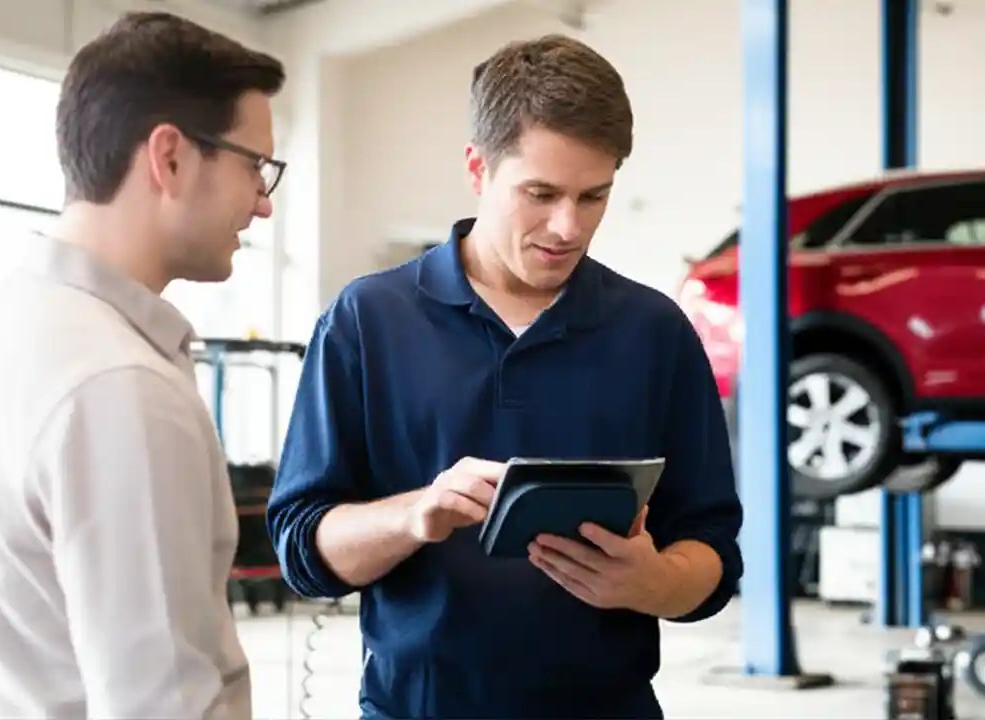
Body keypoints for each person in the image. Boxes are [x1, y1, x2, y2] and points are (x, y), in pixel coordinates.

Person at [266, 33, 743, 720]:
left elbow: (713, 555)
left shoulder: (654, 332)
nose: (566, 227)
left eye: (594, 196)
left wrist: (651, 583)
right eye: (540, 193)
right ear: (477, 169)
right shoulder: (368, 321)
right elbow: (302, 550)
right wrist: (416, 515)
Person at [0, 12, 285, 718]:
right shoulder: (119, 387)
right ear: (171, 158)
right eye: (255, 167)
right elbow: (161, 704)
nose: (264, 204)